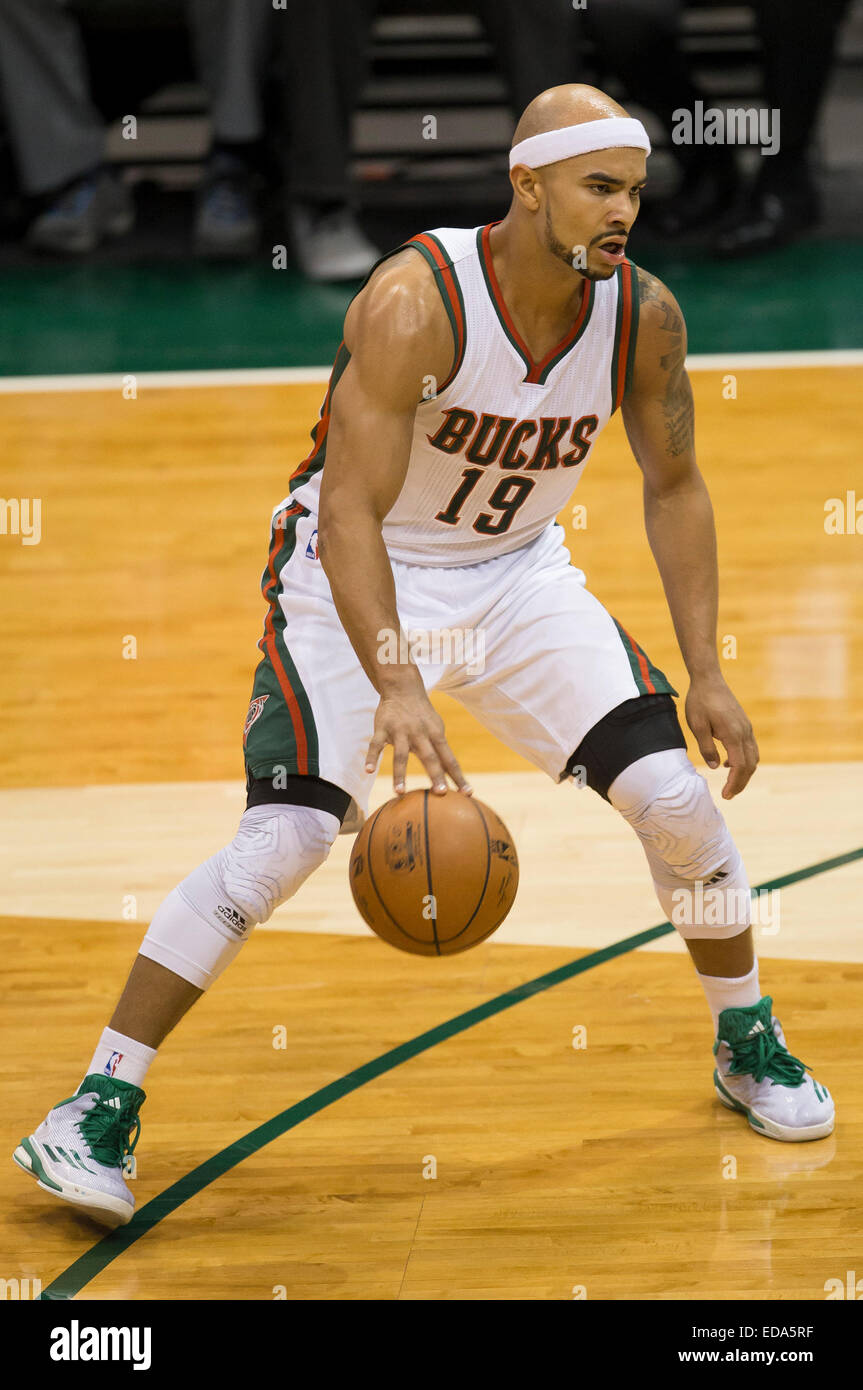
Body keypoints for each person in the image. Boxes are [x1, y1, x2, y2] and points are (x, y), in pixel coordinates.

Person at [13, 83, 834, 1229]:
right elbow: (348, 509)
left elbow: (674, 485)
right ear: (527, 185)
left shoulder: (641, 316)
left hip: (516, 576)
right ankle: (96, 1104)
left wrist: (705, 668)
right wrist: (396, 679)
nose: (622, 212)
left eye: (634, 192)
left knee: (674, 800)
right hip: (355, 567)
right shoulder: (415, 301)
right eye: (598, 187)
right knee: (286, 838)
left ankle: (743, 1036)